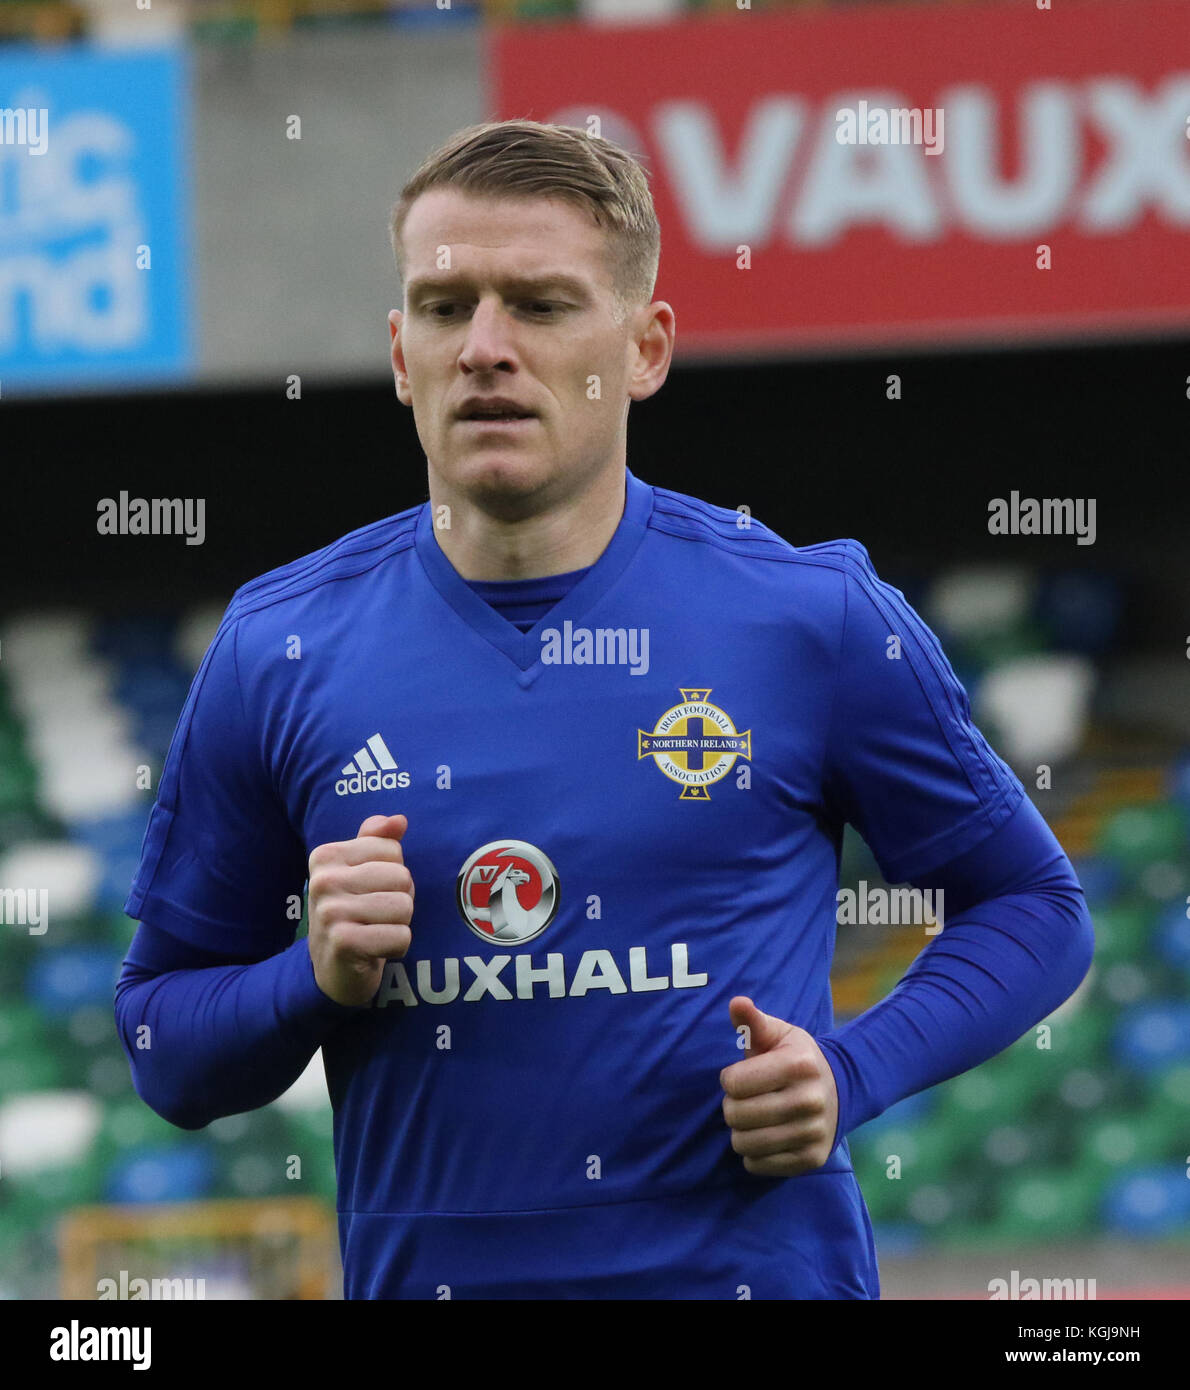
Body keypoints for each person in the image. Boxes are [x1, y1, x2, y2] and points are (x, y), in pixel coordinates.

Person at [117, 119, 1094, 1299]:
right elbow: (163, 1044)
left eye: (537, 305)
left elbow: (1036, 905)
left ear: (643, 347)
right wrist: (306, 978)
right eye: (443, 307)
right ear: (396, 353)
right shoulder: (277, 645)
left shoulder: (811, 618)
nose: (483, 347)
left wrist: (851, 1073)